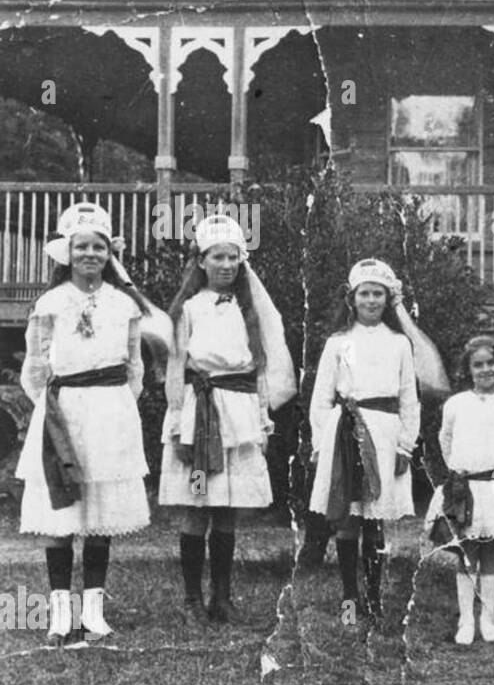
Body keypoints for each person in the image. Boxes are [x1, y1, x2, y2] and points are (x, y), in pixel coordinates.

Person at [16, 203, 157, 645]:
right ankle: (61, 615)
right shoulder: (51, 303)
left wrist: (113, 404)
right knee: (63, 515)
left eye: (98, 247)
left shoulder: (124, 305)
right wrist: (54, 408)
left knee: (99, 513)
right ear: (67, 253)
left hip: (110, 414)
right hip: (62, 414)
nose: (90, 254)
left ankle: (93, 613)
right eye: (82, 247)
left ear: (108, 253)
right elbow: (35, 368)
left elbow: (134, 367)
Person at [159, 215, 295, 624]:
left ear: (242, 262)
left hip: (238, 418)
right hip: (199, 418)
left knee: (227, 507)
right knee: (198, 501)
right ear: (202, 261)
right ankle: (190, 599)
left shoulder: (249, 309)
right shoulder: (188, 309)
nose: (225, 265)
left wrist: (262, 422)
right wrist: (178, 424)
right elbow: (175, 371)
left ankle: (222, 595)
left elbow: (260, 373)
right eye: (217, 257)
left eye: (233, 257)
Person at [308, 259, 421, 622]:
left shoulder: (400, 343)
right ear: (352, 299)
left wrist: (405, 445)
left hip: (385, 435)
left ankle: (373, 597)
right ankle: (349, 599)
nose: (371, 301)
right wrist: (321, 444)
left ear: (388, 300)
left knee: (375, 520)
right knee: (347, 519)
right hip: (345, 433)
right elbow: (321, 397)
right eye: (364, 294)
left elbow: (408, 397)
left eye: (378, 294)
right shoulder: (338, 343)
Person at [425, 335, 494, 645]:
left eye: (491, 364)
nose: (485, 370)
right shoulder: (457, 404)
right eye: (478, 365)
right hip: (466, 487)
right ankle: (466, 621)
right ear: (468, 370)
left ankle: (487, 618)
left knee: (490, 551)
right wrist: (460, 474)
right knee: (467, 553)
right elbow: (445, 441)